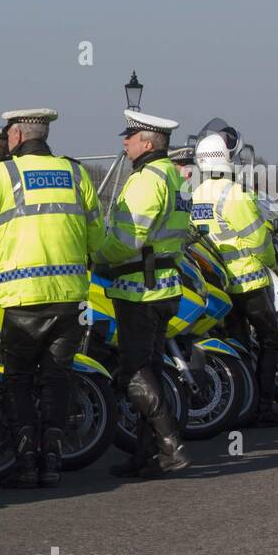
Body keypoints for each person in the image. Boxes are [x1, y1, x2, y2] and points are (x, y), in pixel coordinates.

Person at [0, 109, 105, 486]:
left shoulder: (4, 175)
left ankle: (26, 460)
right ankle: (53, 457)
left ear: (15, 135)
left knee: (17, 380)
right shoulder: (75, 173)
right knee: (57, 378)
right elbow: (96, 238)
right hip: (70, 297)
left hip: (21, 298)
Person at [95, 110, 192, 478]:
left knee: (134, 371)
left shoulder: (146, 180)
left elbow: (126, 238)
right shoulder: (177, 177)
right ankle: (147, 454)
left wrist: (97, 256)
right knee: (150, 370)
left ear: (147, 143)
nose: (125, 142)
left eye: (130, 137)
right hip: (165, 285)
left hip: (139, 289)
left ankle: (172, 445)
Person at [190, 134, 278, 427]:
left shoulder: (195, 194)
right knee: (270, 341)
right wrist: (273, 265)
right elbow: (259, 240)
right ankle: (263, 408)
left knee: (235, 343)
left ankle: (241, 403)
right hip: (248, 282)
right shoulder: (235, 194)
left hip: (217, 284)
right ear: (228, 160)